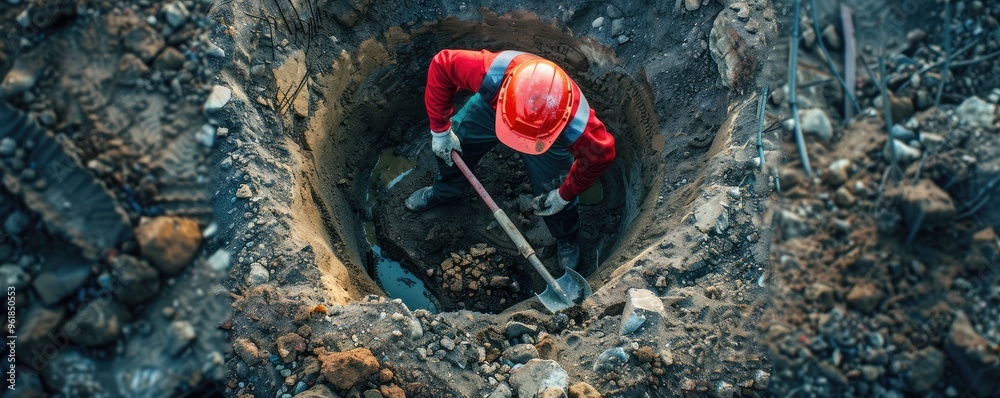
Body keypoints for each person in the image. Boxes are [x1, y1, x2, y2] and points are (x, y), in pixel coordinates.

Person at [405, 49, 616, 272]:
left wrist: (564, 195)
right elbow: (442, 64)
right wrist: (440, 131)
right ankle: (446, 192)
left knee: (554, 187)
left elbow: (601, 158)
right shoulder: (491, 74)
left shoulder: (578, 127)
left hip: (547, 138)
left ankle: (566, 237)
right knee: (456, 143)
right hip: (497, 110)